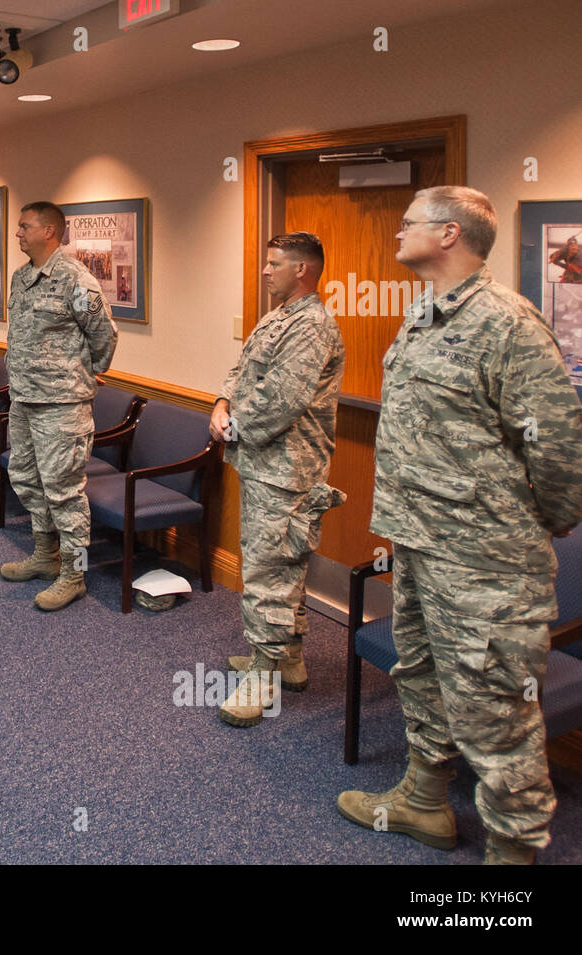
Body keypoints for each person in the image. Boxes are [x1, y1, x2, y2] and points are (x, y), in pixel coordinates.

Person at [337, 186, 582, 864]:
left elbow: (558, 443)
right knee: (421, 674)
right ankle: (424, 798)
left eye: (410, 222)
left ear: (449, 235)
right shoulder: (424, 315)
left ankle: (511, 854)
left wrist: (546, 521)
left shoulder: (507, 322)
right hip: (420, 542)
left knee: (495, 708)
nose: (396, 232)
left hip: (486, 562)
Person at [210, 232, 346, 727]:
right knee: (278, 565)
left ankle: (264, 675)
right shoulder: (279, 317)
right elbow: (243, 372)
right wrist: (222, 403)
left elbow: (282, 400)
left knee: (271, 571)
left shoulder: (312, 326)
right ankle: (288, 658)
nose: (265, 271)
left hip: (288, 471)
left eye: (274, 264)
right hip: (264, 464)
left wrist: (233, 428)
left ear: (303, 270)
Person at [0, 201, 117, 611]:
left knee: (65, 490)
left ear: (49, 230)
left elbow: (104, 334)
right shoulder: (22, 276)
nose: (18, 233)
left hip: (62, 404)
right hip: (25, 398)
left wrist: (84, 371)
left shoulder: (76, 280)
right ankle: (45, 555)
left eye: (24, 227)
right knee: (28, 479)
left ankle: (74, 573)